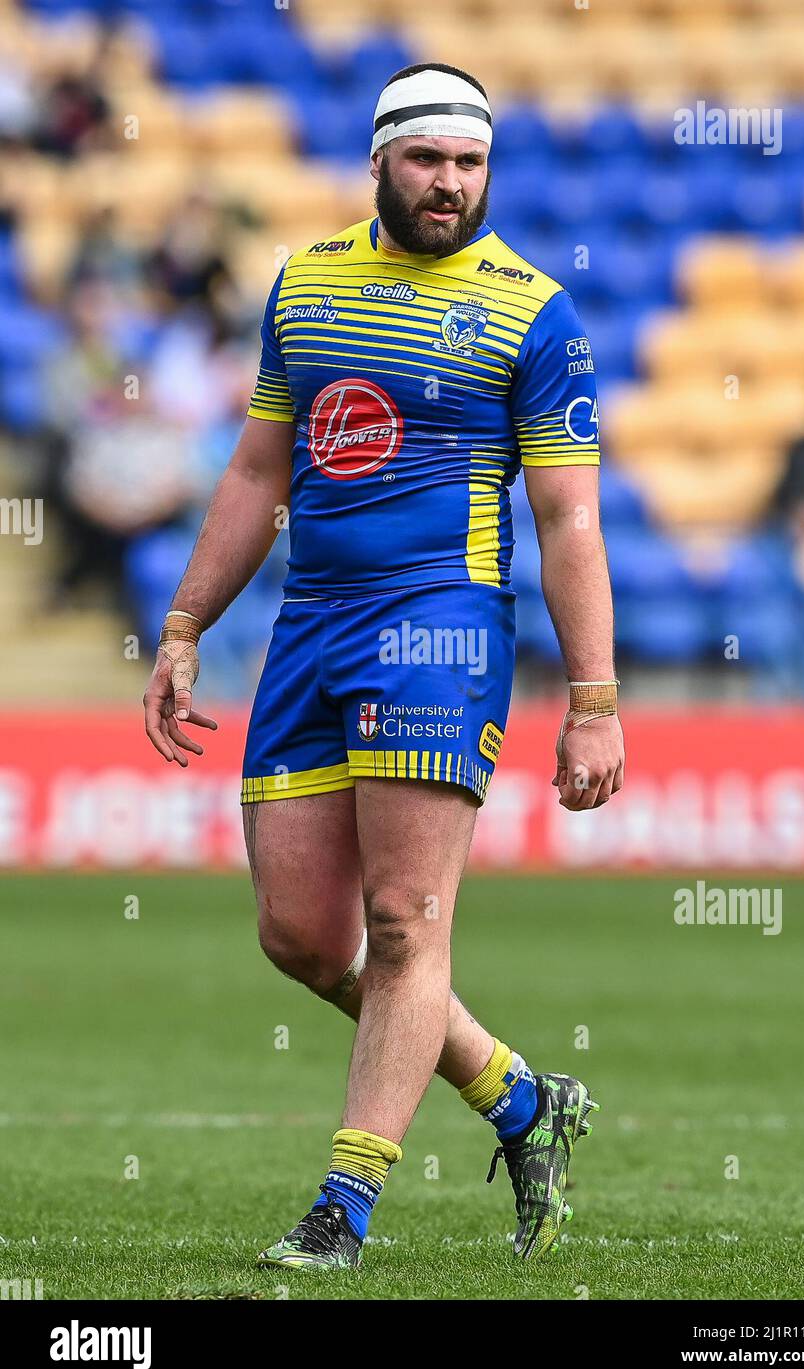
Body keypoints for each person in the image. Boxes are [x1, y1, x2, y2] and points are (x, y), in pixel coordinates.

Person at [143, 63, 624, 1270]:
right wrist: (189, 623)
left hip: (442, 627)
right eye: (426, 161)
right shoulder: (304, 286)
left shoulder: (533, 311)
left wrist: (592, 702)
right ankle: (520, 1098)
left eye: (469, 164)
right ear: (379, 161)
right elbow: (258, 475)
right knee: (302, 936)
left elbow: (570, 524)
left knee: (404, 921)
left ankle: (342, 1208)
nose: (449, 184)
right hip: (310, 626)